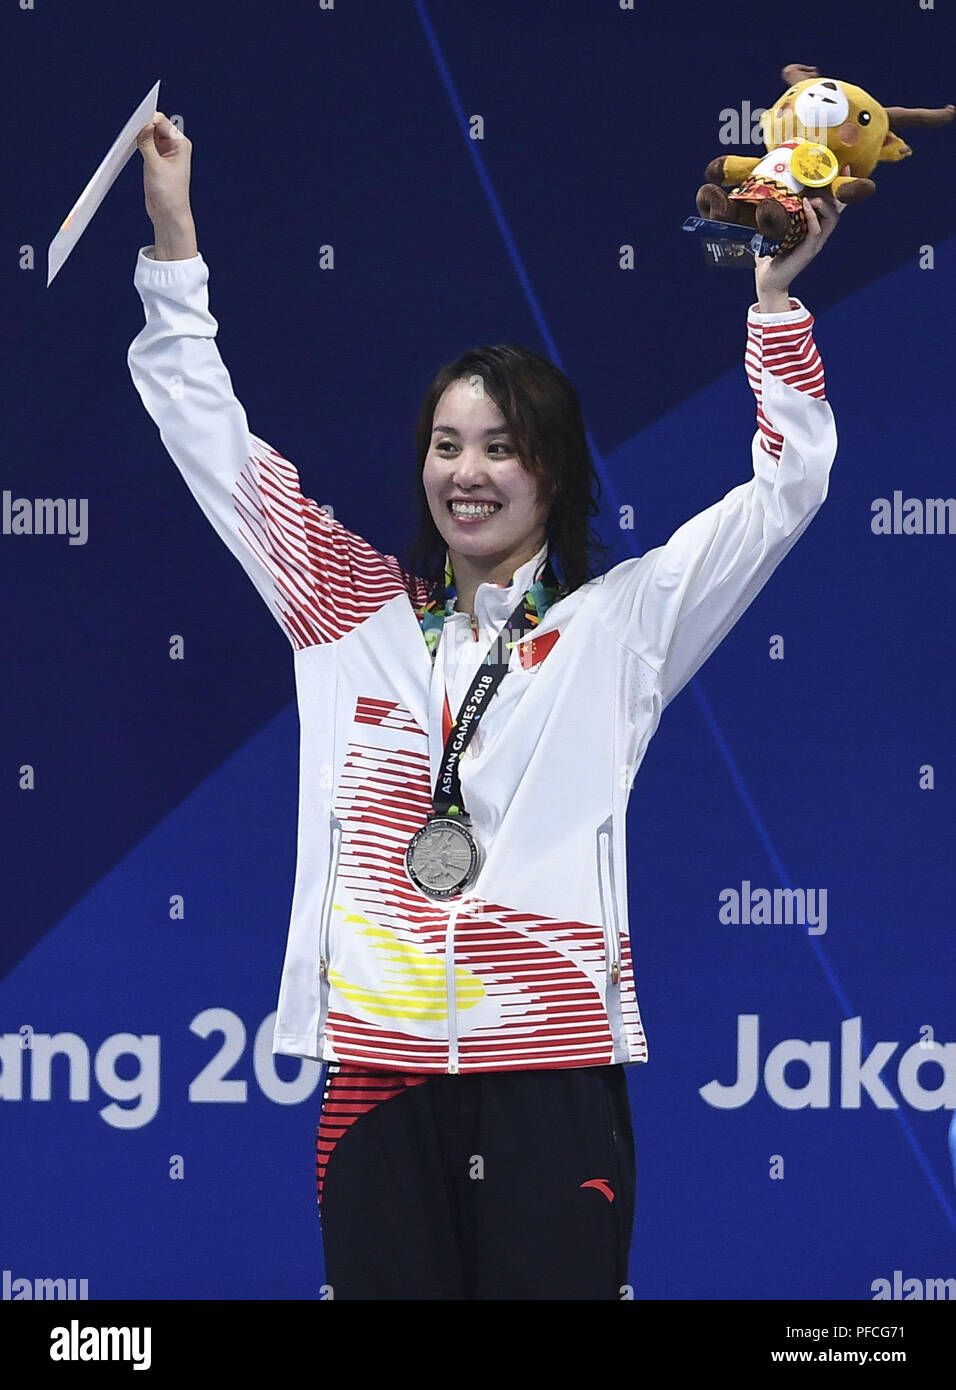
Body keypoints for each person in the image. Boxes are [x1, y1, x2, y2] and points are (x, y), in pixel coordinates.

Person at [129, 112, 844, 1301]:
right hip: (375, 1076)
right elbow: (204, 427)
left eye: (499, 447)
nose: (466, 472)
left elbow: (788, 488)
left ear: (550, 470)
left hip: (555, 1075)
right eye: (445, 444)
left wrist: (772, 305)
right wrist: (173, 238)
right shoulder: (342, 606)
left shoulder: (619, 625)